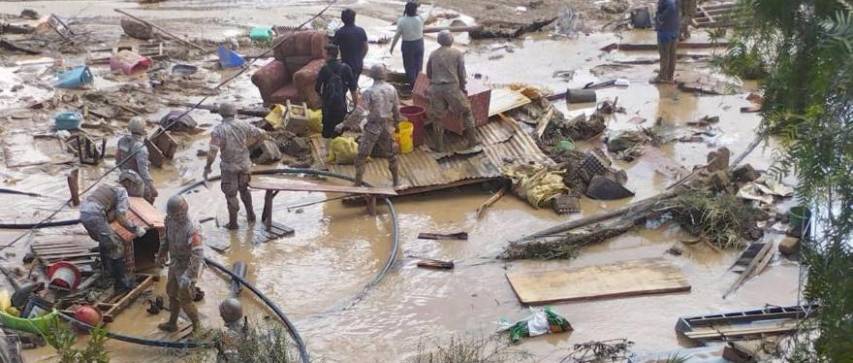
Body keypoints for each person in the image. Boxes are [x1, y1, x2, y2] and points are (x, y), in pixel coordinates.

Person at [79, 171, 146, 292]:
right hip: (95, 215)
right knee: (117, 247)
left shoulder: (108, 185)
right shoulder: (122, 192)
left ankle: (107, 271)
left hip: (84, 213)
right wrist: (136, 229)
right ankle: (121, 284)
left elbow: (110, 215)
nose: (134, 188)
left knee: (105, 241)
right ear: (128, 182)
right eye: (134, 185)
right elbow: (121, 218)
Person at [204, 103, 266, 230]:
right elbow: (262, 133)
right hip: (244, 166)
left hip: (229, 168)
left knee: (231, 195)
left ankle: (233, 224)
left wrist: (208, 166)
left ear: (221, 114)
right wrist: (251, 145)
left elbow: (212, 152)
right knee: (244, 190)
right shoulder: (244, 125)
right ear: (234, 112)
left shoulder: (218, 131)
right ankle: (251, 216)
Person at [156, 195, 204, 334]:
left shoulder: (193, 228)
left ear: (184, 211)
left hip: (189, 265)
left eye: (178, 214)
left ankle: (197, 327)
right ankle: (172, 323)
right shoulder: (169, 220)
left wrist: (188, 276)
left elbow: (198, 255)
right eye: (173, 215)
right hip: (175, 263)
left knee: (186, 299)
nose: (176, 217)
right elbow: (166, 240)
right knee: (171, 294)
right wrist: (161, 254)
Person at [426, 31, 478, 152]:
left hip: (436, 88)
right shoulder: (457, 53)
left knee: (437, 118)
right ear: (451, 40)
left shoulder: (433, 54)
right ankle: (472, 141)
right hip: (452, 88)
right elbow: (462, 74)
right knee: (466, 112)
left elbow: (429, 73)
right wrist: (463, 88)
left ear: (439, 41)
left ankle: (439, 147)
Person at [354, 65, 400, 187]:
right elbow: (396, 110)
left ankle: (357, 185)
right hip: (386, 126)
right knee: (391, 155)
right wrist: (397, 124)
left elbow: (359, 111)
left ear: (371, 76)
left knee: (361, 157)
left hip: (373, 127)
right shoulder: (392, 89)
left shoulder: (369, 92)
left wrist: (345, 123)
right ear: (384, 75)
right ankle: (396, 182)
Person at [315, 45, 359, 142]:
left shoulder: (324, 69)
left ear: (328, 55)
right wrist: (356, 107)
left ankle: (327, 151)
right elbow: (353, 89)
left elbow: (317, 89)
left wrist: (322, 100)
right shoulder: (346, 68)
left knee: (326, 133)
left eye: (324, 54)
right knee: (338, 133)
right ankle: (337, 149)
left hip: (328, 108)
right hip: (341, 106)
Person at [116, 118, 158, 203]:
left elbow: (118, 161)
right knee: (150, 197)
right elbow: (143, 172)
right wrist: (152, 188)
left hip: (123, 178)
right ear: (143, 130)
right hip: (136, 182)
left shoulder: (122, 140)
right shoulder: (141, 148)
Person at [390, 1, 425, 89]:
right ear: (415, 10)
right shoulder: (420, 19)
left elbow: (397, 35)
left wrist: (392, 47)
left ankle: (413, 85)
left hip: (407, 44)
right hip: (419, 43)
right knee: (418, 65)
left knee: (409, 66)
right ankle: (418, 84)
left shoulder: (402, 21)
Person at [333, 8, 368, 81]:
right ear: (354, 18)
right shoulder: (361, 31)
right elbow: (366, 48)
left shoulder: (339, 32)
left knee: (343, 88)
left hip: (345, 66)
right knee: (354, 86)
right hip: (358, 65)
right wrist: (360, 58)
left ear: (342, 19)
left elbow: (333, 49)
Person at [652, 0, 680, 84]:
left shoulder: (666, 3)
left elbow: (662, 17)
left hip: (665, 33)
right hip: (674, 31)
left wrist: (659, 18)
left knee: (664, 56)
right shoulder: (674, 1)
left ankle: (663, 77)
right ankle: (670, 76)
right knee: (672, 55)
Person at [216, 298, 247, 362]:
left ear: (228, 315)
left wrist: (221, 346)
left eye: (223, 313)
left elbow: (232, 360)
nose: (220, 315)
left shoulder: (229, 336)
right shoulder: (246, 324)